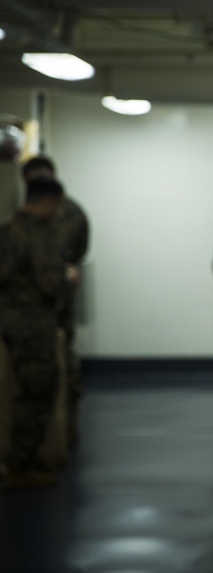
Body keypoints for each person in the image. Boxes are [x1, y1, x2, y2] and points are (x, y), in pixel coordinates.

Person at [0, 178, 80, 489]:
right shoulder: (37, 235)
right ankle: (20, 464)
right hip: (33, 324)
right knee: (38, 390)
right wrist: (68, 281)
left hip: (8, 322)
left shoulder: (6, 231)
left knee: (17, 389)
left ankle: (19, 458)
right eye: (57, 206)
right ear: (48, 201)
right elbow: (51, 282)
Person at [20, 156, 89, 446]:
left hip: (54, 306)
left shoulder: (69, 214)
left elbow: (70, 253)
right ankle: (29, 453)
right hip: (28, 313)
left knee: (62, 365)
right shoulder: (21, 229)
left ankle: (65, 426)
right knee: (35, 378)